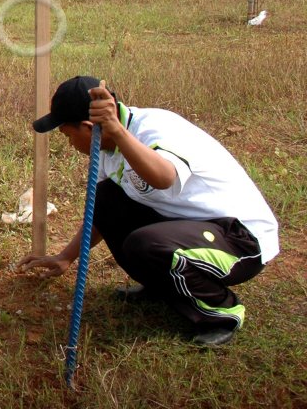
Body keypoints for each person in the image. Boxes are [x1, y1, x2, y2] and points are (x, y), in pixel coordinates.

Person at [18, 76, 279, 347]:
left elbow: (164, 177)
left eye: (68, 135)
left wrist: (117, 132)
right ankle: (163, 286)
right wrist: (65, 257)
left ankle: (221, 313)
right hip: (193, 229)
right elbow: (101, 213)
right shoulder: (106, 150)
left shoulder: (156, 128)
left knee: (147, 244)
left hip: (241, 241)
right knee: (106, 197)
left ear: (88, 127)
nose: (70, 144)